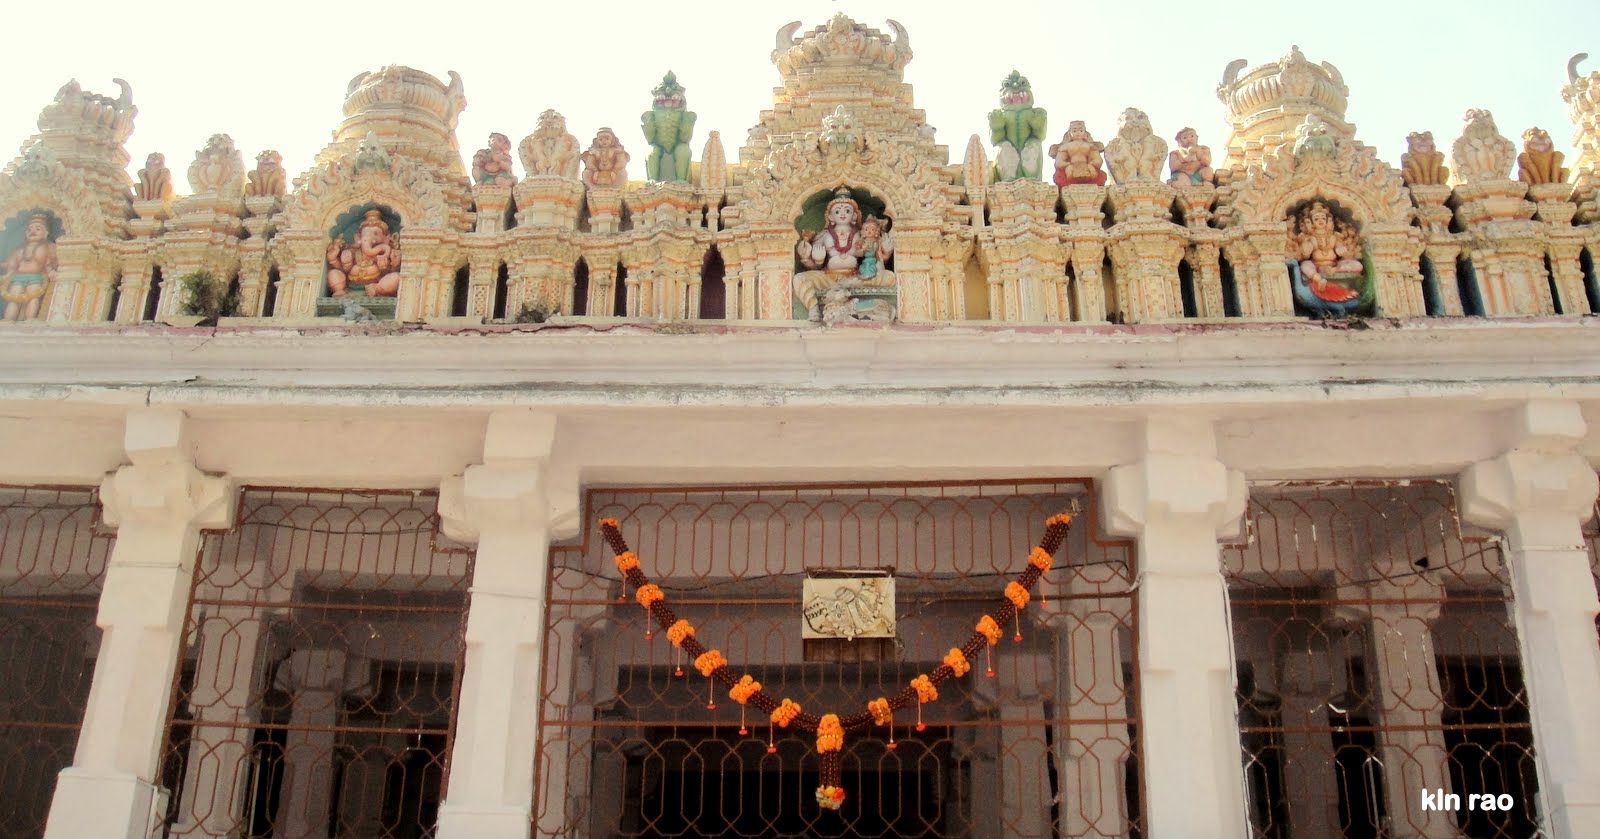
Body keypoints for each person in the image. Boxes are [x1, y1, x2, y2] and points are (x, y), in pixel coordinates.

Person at [792, 190, 895, 320]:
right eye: (837, 211)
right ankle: (813, 308)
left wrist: (887, 252)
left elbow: (875, 258)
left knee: (889, 277)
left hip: (856, 277)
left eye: (847, 211)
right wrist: (809, 258)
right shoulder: (824, 236)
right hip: (829, 277)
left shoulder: (861, 234)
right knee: (799, 279)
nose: (842, 214)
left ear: (854, 216)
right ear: (830, 216)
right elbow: (814, 267)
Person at [2, 214, 57, 321]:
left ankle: (30, 319)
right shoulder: (19, 249)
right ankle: (8, 320)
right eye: (29, 229)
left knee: (33, 297)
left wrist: (51, 272)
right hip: (18, 278)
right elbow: (12, 265)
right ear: (26, 233)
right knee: (14, 298)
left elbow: (49, 263)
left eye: (38, 229)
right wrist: (7, 276)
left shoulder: (48, 247)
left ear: (46, 233)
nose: (33, 231)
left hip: (36, 277)